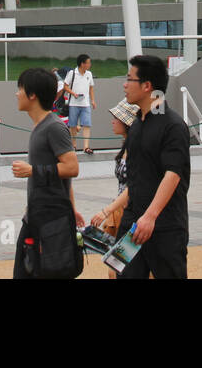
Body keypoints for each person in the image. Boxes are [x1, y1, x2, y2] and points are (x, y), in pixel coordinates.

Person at [110, 54, 190, 279]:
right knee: (120, 273)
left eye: (129, 79)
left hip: (164, 227)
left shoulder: (173, 126)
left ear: (147, 86)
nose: (124, 85)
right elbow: (134, 178)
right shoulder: (136, 125)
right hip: (132, 225)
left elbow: (173, 174)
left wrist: (150, 216)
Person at [11, 68, 80, 279]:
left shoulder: (54, 127)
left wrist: (32, 170)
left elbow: (72, 168)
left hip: (51, 219)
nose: (16, 94)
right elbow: (64, 176)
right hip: (37, 215)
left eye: (20, 89)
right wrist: (73, 210)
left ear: (32, 95)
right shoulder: (40, 126)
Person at [90, 100, 139, 280]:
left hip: (134, 214)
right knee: (118, 266)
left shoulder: (136, 148)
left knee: (119, 265)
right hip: (123, 213)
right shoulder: (127, 146)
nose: (112, 121)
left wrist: (106, 211)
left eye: (116, 118)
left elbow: (132, 186)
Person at [64, 53, 96, 153]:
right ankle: (73, 145)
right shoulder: (72, 73)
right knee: (73, 125)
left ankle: (86, 146)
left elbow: (91, 88)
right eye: (88, 62)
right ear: (82, 64)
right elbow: (65, 86)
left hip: (85, 103)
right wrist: (73, 93)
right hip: (73, 103)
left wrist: (93, 100)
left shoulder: (89, 74)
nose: (89, 64)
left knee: (87, 124)